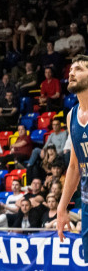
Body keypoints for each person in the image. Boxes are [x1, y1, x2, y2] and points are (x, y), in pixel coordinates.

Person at [58, 56, 88, 260]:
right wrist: (62, 207)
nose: (71, 73)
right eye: (70, 69)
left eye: (78, 69)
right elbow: (74, 167)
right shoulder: (71, 116)